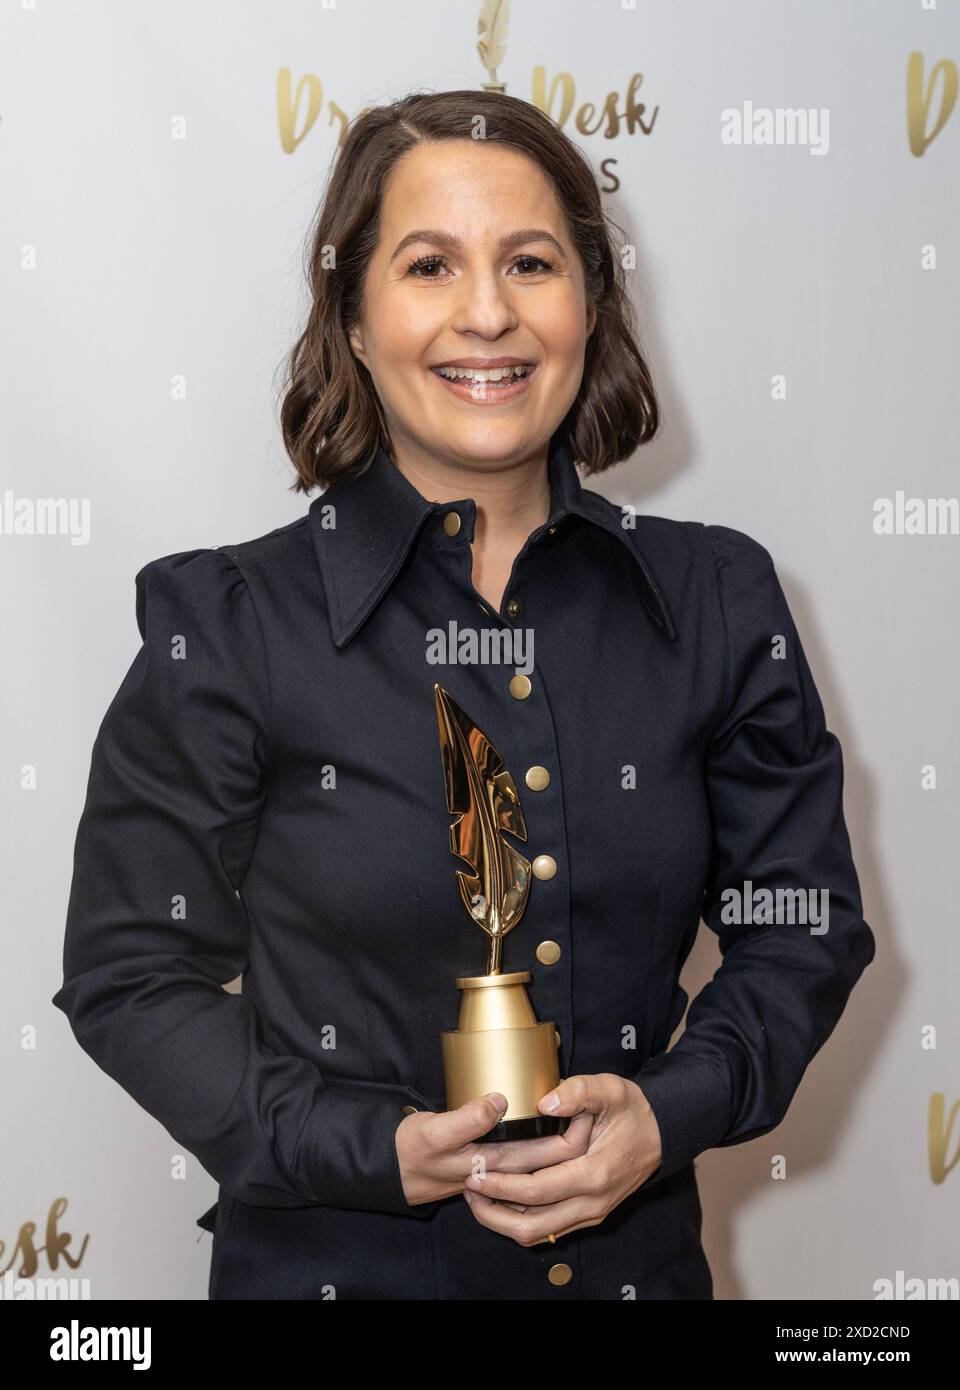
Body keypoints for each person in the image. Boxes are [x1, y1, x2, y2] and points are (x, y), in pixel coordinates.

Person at [52, 89, 876, 1300]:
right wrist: (363, 1147)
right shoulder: (232, 628)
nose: (487, 313)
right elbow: (131, 972)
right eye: (429, 265)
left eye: (531, 263)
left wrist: (668, 1111)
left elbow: (801, 923)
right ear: (354, 313)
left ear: (590, 304)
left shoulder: (715, 598)